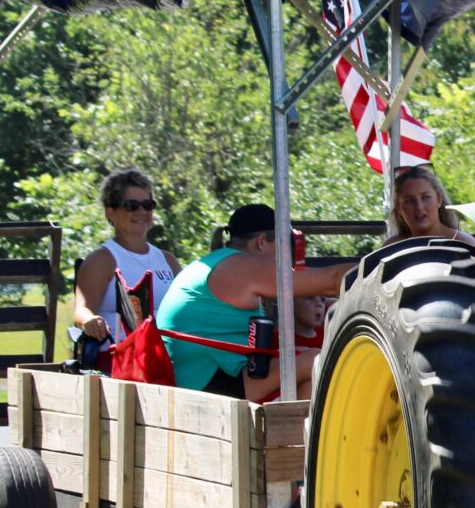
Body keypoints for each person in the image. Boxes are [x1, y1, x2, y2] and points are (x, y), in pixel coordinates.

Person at [154, 204, 352, 401]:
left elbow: (320, 295)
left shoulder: (219, 262)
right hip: (204, 384)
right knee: (312, 361)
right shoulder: (241, 267)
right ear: (262, 242)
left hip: (202, 376)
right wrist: (380, 263)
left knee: (307, 373)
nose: (286, 257)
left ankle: (295, 431)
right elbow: (333, 280)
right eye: (284, 245)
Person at [71, 169, 181, 347]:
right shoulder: (101, 260)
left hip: (167, 355)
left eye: (147, 205)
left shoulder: (168, 260)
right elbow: (81, 310)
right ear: (111, 212)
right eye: (131, 206)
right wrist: (90, 320)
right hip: (118, 359)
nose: (141, 212)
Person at [385, 166, 475, 254]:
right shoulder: (390, 248)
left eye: (426, 197)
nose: (419, 207)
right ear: (399, 208)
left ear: (439, 200)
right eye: (409, 200)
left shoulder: (464, 244)